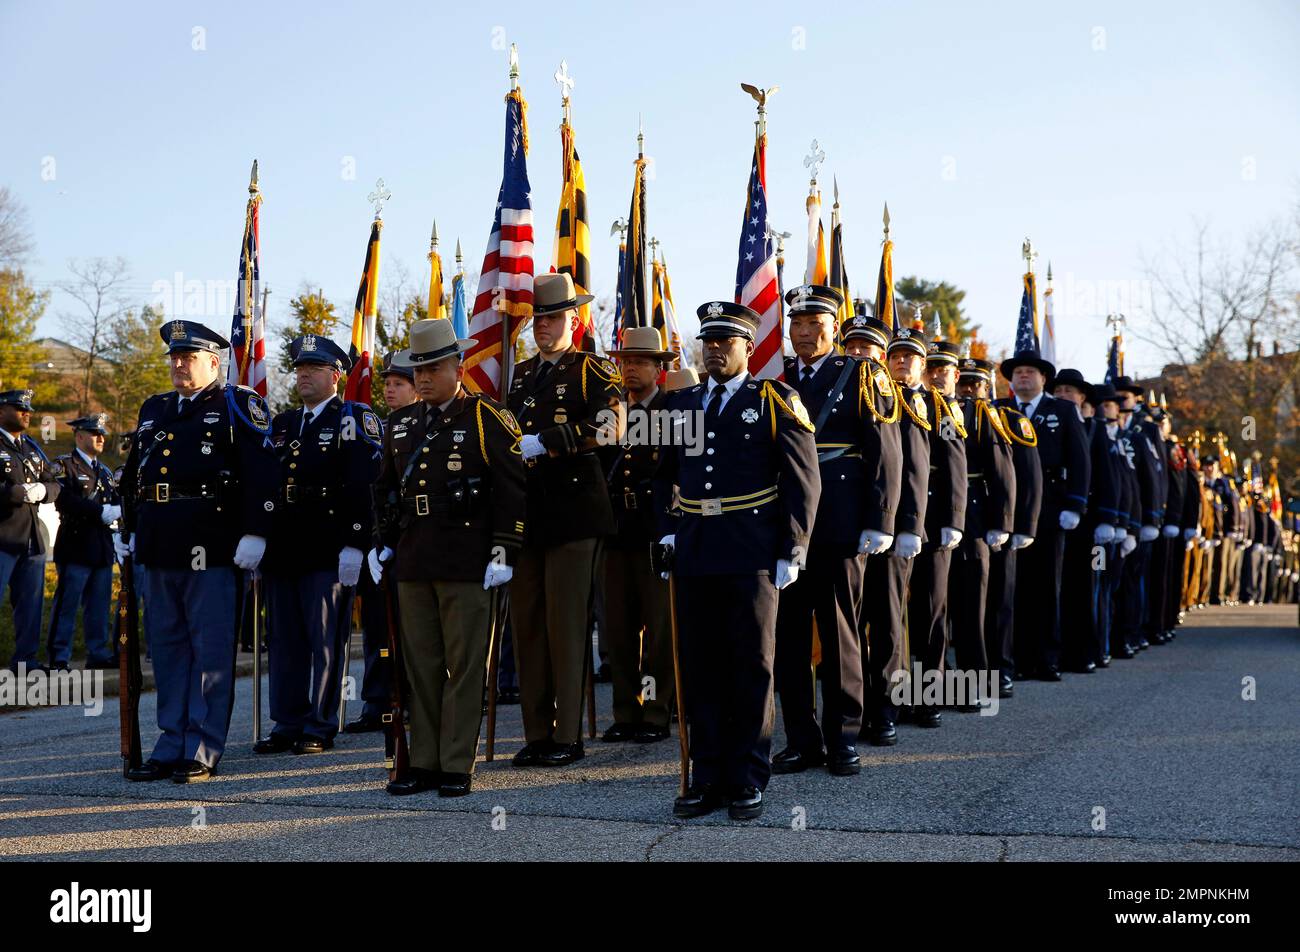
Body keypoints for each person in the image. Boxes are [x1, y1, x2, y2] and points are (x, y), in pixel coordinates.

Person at [656, 300, 819, 820]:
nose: (714, 350)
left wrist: (793, 546)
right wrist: (666, 533)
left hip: (751, 548)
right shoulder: (677, 404)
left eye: (725, 342)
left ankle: (747, 776)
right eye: (708, 341)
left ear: (749, 347)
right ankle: (705, 776)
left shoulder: (776, 399)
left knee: (751, 664)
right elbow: (662, 477)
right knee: (699, 666)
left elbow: (802, 479)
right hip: (696, 547)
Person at [116, 319, 278, 783]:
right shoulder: (156, 408)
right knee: (166, 650)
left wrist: (257, 531)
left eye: (188, 357)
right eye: (174, 357)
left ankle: (202, 747)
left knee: (208, 648)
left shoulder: (236, 403)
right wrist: (126, 524)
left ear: (214, 361)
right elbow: (136, 474)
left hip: (211, 543)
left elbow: (263, 472)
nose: (178, 364)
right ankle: (171, 744)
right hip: (159, 542)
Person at [369, 319, 526, 796]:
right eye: (418, 368)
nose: (423, 377)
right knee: (421, 665)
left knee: (464, 665)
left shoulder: (485, 418)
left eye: (434, 367)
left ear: (457, 367)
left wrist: (504, 551)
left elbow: (512, 489)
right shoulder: (399, 423)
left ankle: (457, 763)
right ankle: (424, 760)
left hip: (466, 559)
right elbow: (384, 489)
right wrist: (383, 540)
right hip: (415, 559)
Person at [772, 285, 901, 775]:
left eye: (815, 324)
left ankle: (843, 736)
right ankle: (801, 739)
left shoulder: (862, 372)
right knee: (788, 636)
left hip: (842, 520)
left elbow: (885, 450)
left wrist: (881, 519)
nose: (805, 333)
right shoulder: (776, 375)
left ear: (835, 326)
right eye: (797, 324)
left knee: (841, 631)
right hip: (785, 522)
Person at [506, 273, 621, 768]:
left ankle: (567, 734)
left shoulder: (594, 370)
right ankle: (536, 732)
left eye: (553, 317)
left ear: (575, 320)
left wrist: (551, 442)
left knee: (566, 624)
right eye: (539, 318)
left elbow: (612, 428)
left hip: (574, 512)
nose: (544, 326)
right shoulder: (520, 373)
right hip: (529, 515)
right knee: (528, 626)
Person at [254, 335, 381, 756]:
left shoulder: (352, 418)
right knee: (285, 639)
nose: (304, 375)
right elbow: (267, 482)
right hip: (284, 548)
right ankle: (288, 720)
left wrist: (356, 542)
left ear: (336, 375)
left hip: (328, 547)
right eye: (300, 369)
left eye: (314, 368)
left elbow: (364, 484)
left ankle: (320, 723)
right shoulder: (285, 423)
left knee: (325, 639)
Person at [598, 326, 679, 745]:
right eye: (626, 362)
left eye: (640, 362)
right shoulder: (610, 415)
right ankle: (625, 712)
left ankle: (656, 711)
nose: (630, 369)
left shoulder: (673, 413)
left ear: (659, 370)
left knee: (659, 628)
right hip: (617, 532)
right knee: (619, 628)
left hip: (655, 531)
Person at [996, 347, 1089, 681]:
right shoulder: (999, 409)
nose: (1023, 376)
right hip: (1010, 506)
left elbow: (1080, 458)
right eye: (1018, 372)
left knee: (1047, 584)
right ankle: (1015, 659)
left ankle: (1048, 657)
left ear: (1043, 379)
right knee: (1012, 587)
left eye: (1030, 372)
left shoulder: (1062, 410)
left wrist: (1075, 504)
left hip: (1051, 505)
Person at [863, 321, 931, 744]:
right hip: (845, 525)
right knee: (851, 626)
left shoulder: (903, 401)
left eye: (909, 357)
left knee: (887, 622)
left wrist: (909, 524)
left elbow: (913, 468)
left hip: (890, 526)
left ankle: (885, 707)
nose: (900, 363)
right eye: (896, 356)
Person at [346, 351, 419, 734]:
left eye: (399, 383)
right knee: (378, 626)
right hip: (381, 543)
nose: (390, 389)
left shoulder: (425, 428)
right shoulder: (380, 428)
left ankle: (407, 700)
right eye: (387, 383)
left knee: (411, 628)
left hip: (415, 543)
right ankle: (377, 701)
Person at [904, 333, 968, 725]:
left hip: (932, 517)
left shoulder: (939, 406)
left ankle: (929, 696)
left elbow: (955, 466)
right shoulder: (881, 397)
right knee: (894, 614)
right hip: (893, 521)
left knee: (930, 609)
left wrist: (954, 519)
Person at [947, 349, 1014, 705]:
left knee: (973, 609)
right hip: (937, 514)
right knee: (939, 610)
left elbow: (1002, 472)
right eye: (966, 382)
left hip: (974, 517)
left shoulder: (985, 415)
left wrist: (1001, 521)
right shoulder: (936, 408)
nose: (970, 390)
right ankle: (938, 687)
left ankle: (976, 685)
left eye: (977, 384)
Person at [48, 413, 121, 671]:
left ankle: (97, 653)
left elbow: (116, 499)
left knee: (99, 606)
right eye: (94, 433)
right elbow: (64, 499)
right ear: (79, 436)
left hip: (100, 546)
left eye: (102, 434)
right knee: (67, 605)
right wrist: (99, 512)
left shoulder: (104, 470)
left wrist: (117, 509)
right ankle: (59, 655)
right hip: (76, 544)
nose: (100, 438)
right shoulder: (65, 465)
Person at [0, 389, 61, 673]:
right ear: (1, 411)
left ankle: (26, 661)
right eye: (19, 408)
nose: (27, 413)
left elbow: (55, 484)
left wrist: (43, 490)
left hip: (30, 539)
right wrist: (13, 492)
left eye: (28, 410)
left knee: (31, 606)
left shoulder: (32, 448)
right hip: (3, 536)